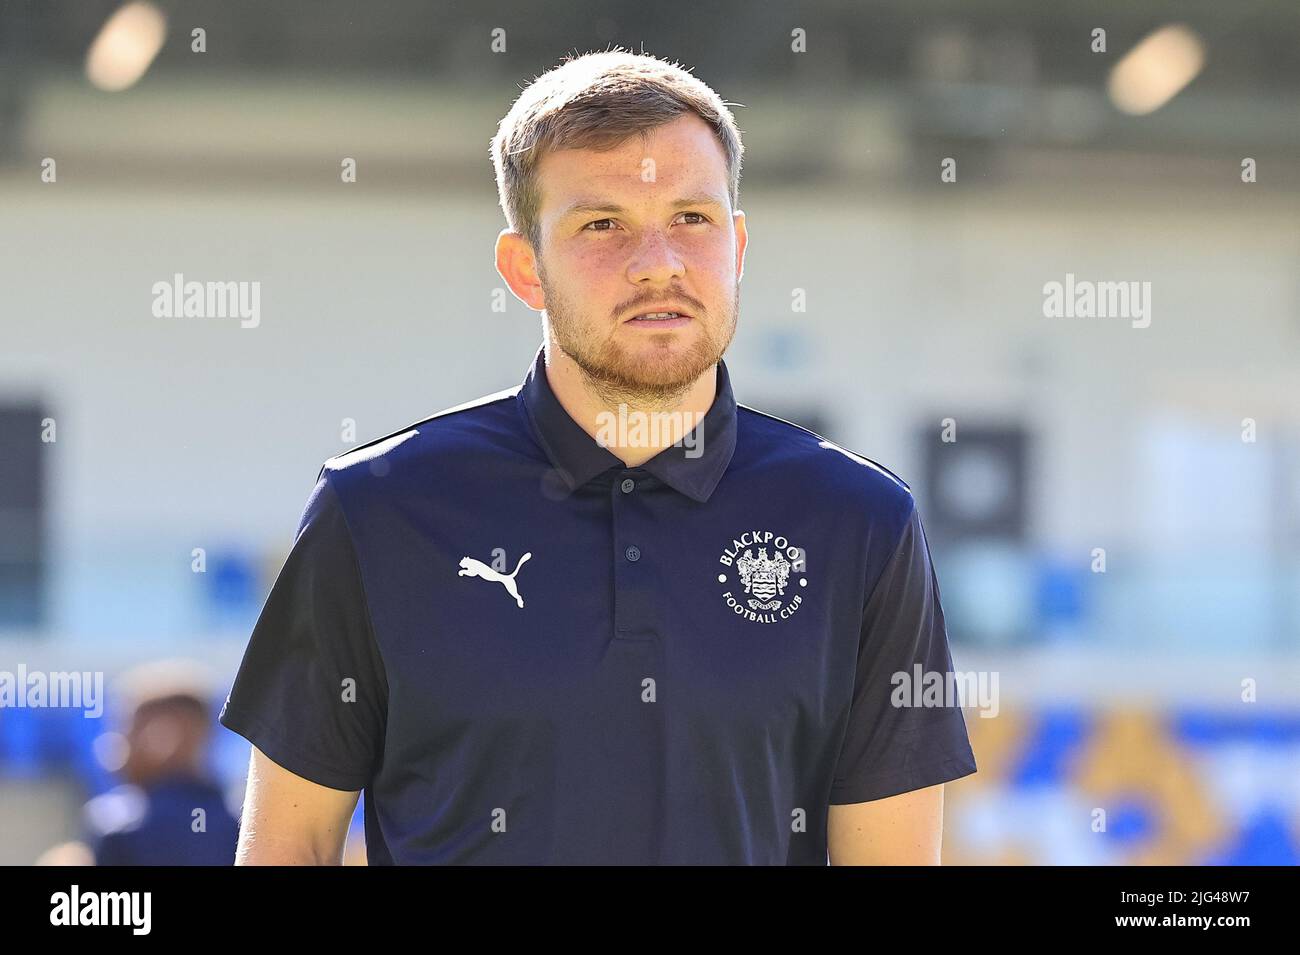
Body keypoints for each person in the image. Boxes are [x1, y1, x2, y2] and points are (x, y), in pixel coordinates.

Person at [219, 48, 976, 865]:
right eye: (602, 224)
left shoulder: (860, 521)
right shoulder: (376, 509)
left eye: (693, 217)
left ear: (739, 245)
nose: (659, 262)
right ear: (525, 268)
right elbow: (287, 848)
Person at [84, 660, 240, 865]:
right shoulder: (243, 821)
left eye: (126, 730)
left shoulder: (117, 824)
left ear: (163, 737)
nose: (112, 746)